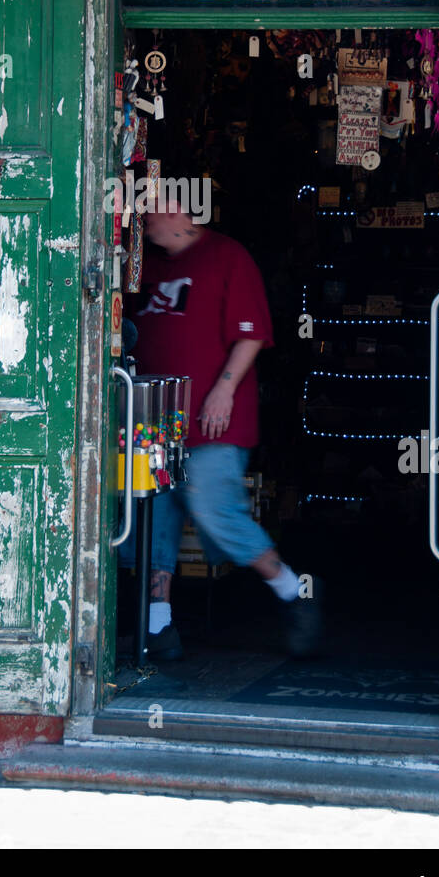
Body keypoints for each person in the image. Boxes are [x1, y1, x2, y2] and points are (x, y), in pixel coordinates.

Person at [120, 194, 323, 662]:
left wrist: (224, 390)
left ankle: (295, 593)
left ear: (176, 208)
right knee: (153, 519)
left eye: (149, 209)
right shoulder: (141, 265)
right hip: (152, 417)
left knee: (215, 510)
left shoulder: (227, 255)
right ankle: (158, 628)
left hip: (214, 418)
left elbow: (252, 334)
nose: (143, 220)